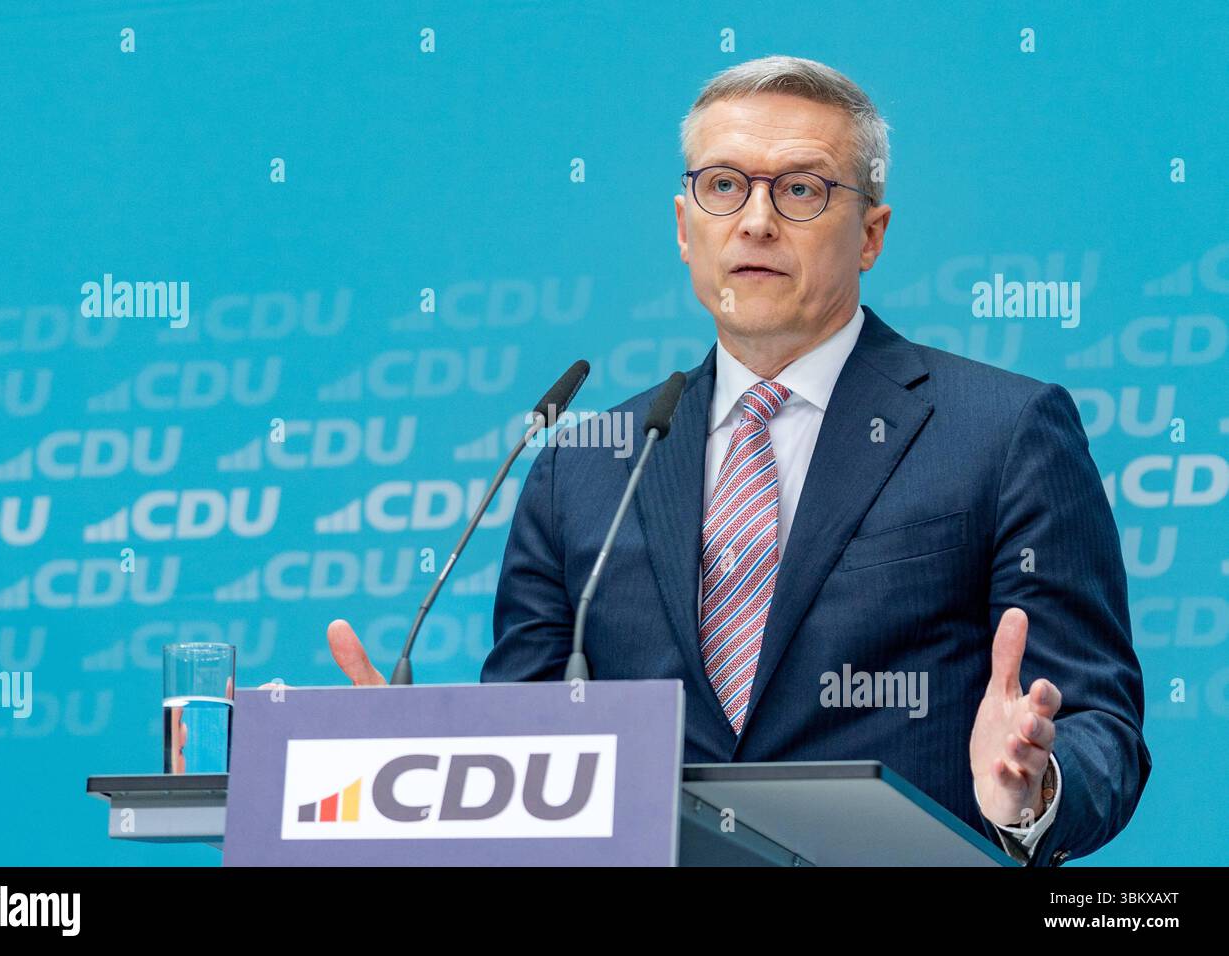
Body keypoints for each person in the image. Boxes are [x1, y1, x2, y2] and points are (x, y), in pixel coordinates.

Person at [318, 55, 1150, 866]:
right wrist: (421, 773)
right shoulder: (588, 464)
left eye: (800, 189)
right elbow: (527, 749)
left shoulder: (1003, 431)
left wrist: (1035, 791)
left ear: (870, 233)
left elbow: (1095, 725)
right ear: (685, 227)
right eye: (723, 186)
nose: (755, 221)